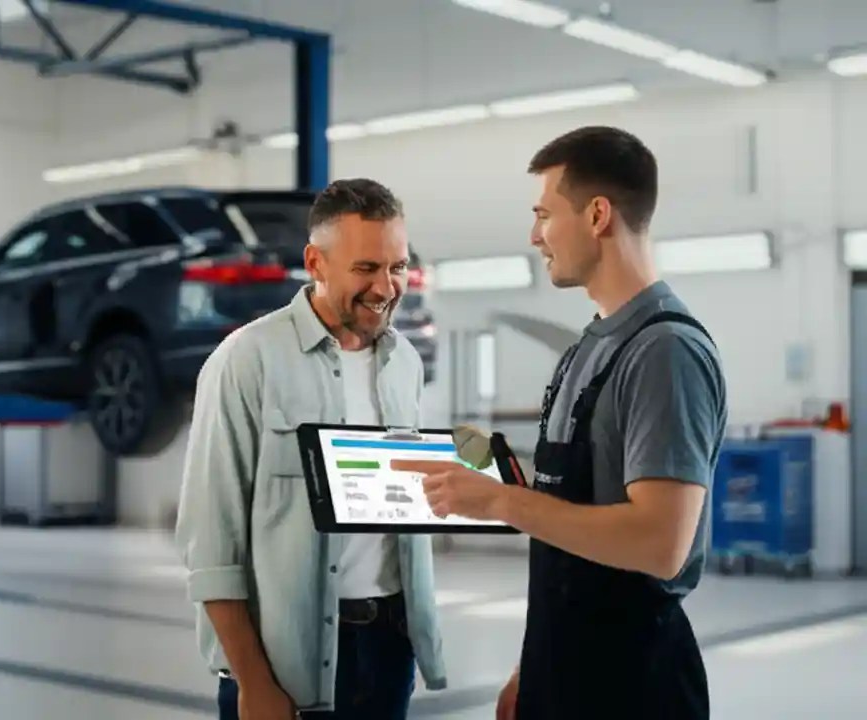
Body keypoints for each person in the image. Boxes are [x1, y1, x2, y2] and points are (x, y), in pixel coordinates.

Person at [392, 126, 727, 720]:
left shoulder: (664, 352)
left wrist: (502, 503)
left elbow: (660, 543)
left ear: (598, 214)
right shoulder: (587, 349)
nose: (534, 235)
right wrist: (532, 664)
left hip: (631, 686)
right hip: (564, 668)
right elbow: (569, 533)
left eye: (544, 214)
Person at [175, 178, 447, 719]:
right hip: (284, 661)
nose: (387, 287)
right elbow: (211, 546)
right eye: (365, 269)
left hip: (390, 648)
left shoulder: (405, 364)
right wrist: (253, 680)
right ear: (316, 264)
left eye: (396, 267)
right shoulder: (246, 360)